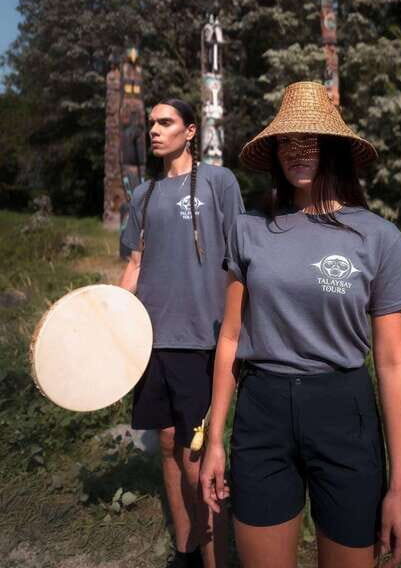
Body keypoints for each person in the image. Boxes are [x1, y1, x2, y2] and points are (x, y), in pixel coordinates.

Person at [200, 81, 401, 568]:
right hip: (262, 413)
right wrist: (215, 439)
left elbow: (391, 361)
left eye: (312, 140)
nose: (298, 153)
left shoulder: (378, 237)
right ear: (274, 150)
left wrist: (399, 487)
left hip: (343, 411)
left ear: (335, 148)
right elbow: (231, 338)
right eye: (287, 141)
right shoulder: (248, 228)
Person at [119, 98, 244, 568]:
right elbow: (134, 265)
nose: (154, 130)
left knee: (197, 457)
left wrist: (242, 328)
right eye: (151, 123)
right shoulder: (143, 195)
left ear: (190, 131)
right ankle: (186, 552)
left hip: (202, 338)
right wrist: (112, 330)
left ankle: (218, 560)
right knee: (168, 445)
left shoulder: (219, 182)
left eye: (165, 122)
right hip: (151, 341)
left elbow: (239, 257)